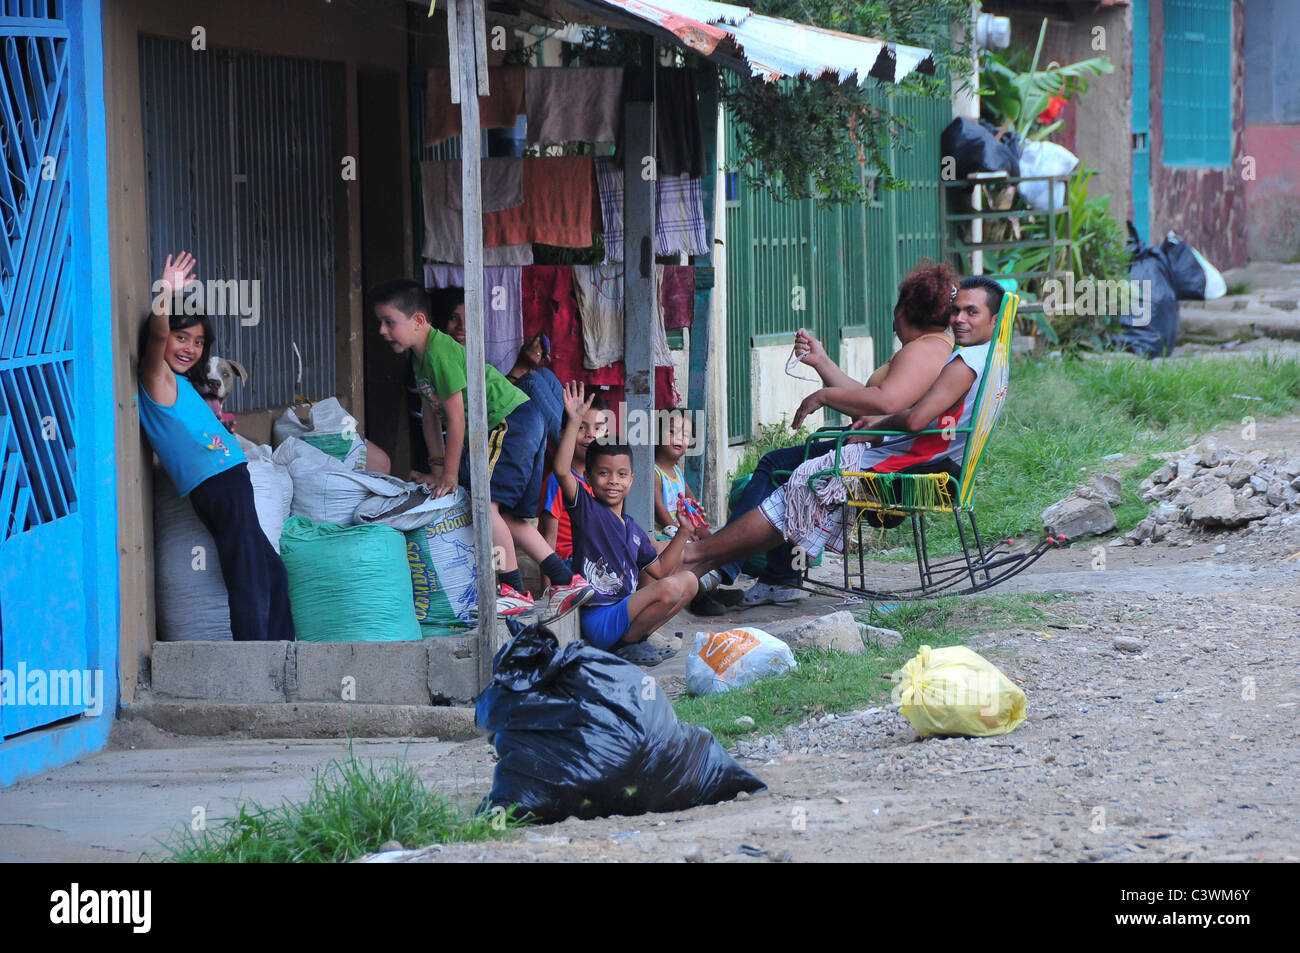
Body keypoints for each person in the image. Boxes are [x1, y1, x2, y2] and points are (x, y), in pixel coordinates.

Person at [686, 276, 1003, 581]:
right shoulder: (988, 357)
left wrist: (869, 418)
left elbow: (901, 412)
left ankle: (700, 560)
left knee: (797, 487)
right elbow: (895, 408)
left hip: (908, 466)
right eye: (956, 309)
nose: (959, 318)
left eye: (971, 311)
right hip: (931, 461)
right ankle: (710, 563)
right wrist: (825, 367)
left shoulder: (952, 357)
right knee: (793, 493)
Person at [371, 279, 592, 619]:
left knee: (483, 508)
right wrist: (437, 464)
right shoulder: (420, 361)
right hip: (520, 421)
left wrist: (448, 474)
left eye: (390, 322)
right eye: (381, 323)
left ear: (417, 320)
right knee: (507, 518)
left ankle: (515, 589)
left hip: (509, 422)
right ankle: (565, 580)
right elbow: (432, 416)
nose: (383, 331)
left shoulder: (439, 353)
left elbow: (456, 421)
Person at [138, 251, 294, 641]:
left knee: (271, 571)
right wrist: (165, 294)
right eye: (181, 337)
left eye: (198, 341)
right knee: (248, 574)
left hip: (230, 479)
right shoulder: (158, 377)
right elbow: (156, 337)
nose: (189, 348)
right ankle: (255, 664)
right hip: (216, 483)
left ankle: (285, 654)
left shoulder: (186, 385)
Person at [557, 382, 699, 659]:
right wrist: (574, 422)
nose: (613, 481)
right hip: (598, 618)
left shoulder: (632, 528)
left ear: (632, 480)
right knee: (670, 588)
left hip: (624, 611)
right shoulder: (586, 509)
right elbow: (562, 471)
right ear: (588, 478)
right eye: (603, 474)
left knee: (689, 581)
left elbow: (660, 571)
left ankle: (635, 641)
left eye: (622, 474)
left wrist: (683, 531)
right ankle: (625, 646)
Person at [539, 394, 608, 561]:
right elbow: (548, 540)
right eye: (581, 427)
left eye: (598, 428)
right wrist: (549, 586)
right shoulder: (557, 480)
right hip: (569, 561)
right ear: (565, 434)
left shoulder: (607, 481)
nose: (591, 434)